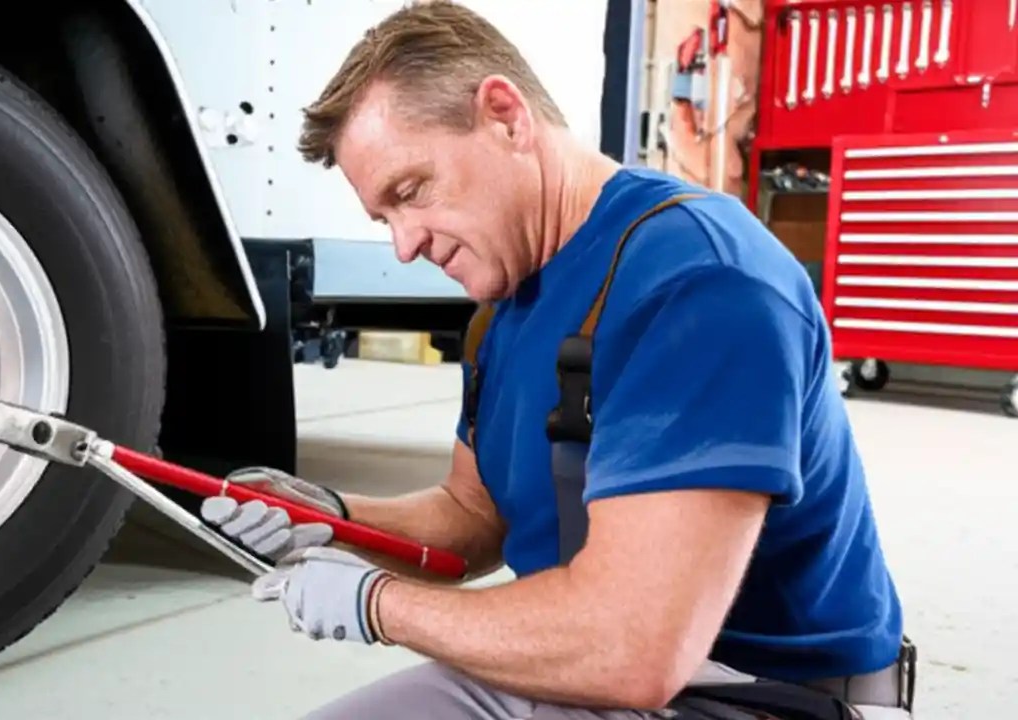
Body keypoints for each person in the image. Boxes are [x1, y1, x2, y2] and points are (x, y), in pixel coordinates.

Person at [200, 2, 911, 718]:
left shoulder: (699, 282)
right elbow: (471, 516)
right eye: (384, 219)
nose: (405, 245)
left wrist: (376, 604)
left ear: (505, 116)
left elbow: (632, 648)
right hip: (575, 664)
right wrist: (331, 516)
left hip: (756, 695)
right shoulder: (504, 310)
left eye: (410, 193)